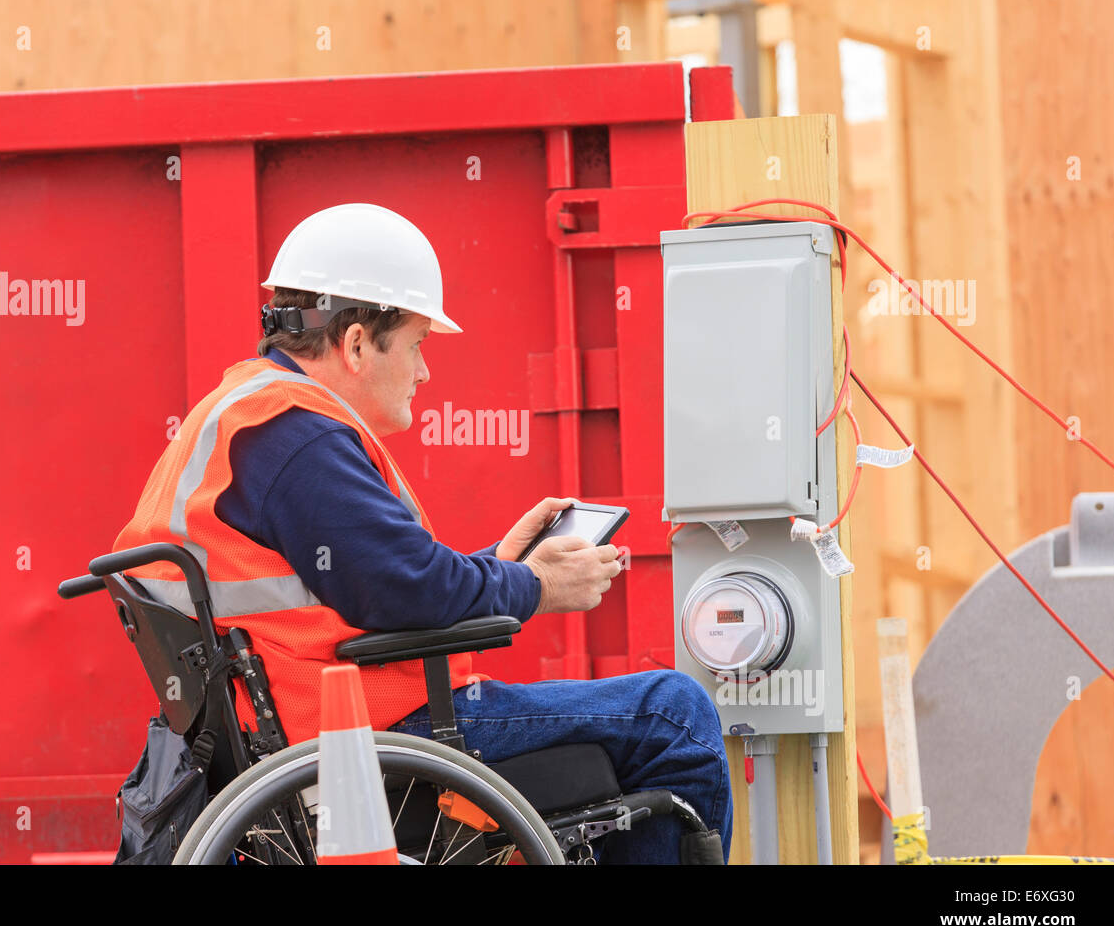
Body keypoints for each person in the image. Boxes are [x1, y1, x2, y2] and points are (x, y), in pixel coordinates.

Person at [113, 203, 731, 863]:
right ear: (355, 343)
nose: (425, 372)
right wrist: (539, 585)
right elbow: (403, 591)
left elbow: (364, 584)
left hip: (295, 733)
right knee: (673, 715)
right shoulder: (300, 437)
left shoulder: (246, 415)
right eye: (417, 345)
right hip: (370, 737)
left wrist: (504, 561)